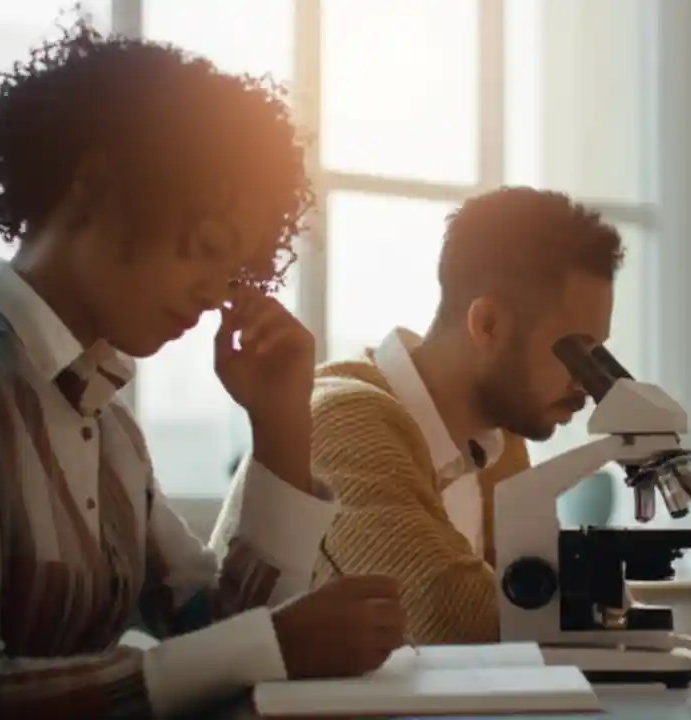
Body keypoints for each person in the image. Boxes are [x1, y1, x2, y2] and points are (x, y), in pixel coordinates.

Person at [0, 19, 404, 719]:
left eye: (234, 272)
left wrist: (280, 428)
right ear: (92, 185)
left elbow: (217, 630)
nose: (214, 293)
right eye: (204, 247)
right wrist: (271, 645)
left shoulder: (108, 430)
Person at [214, 187, 625, 645]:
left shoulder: (499, 446)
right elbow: (451, 623)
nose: (588, 382)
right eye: (577, 351)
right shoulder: (342, 421)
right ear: (488, 324)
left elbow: (538, 612)